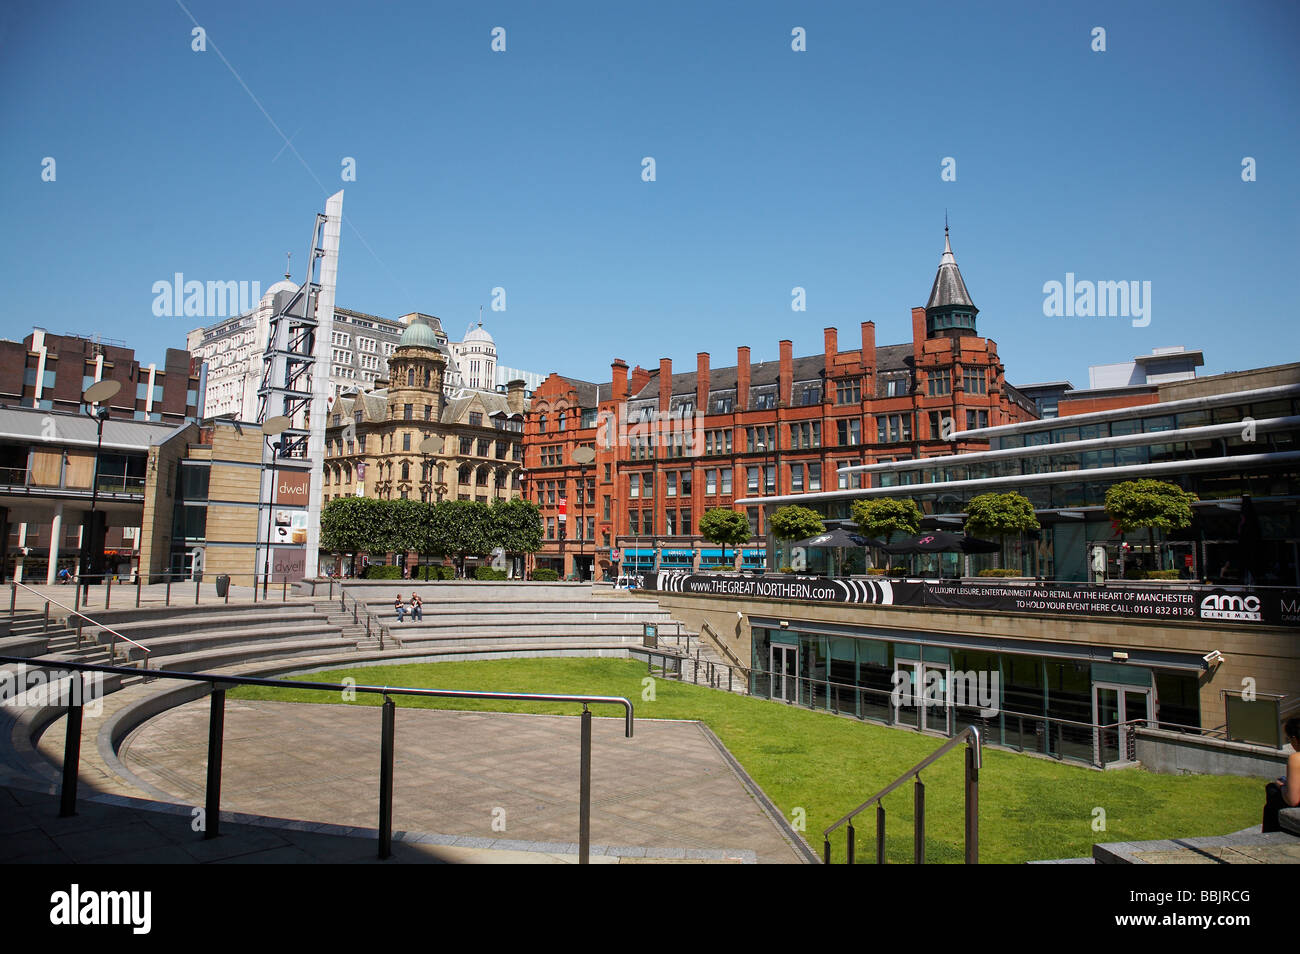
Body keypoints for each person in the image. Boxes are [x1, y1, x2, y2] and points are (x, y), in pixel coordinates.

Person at [1263, 717, 1300, 833]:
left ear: (1294, 739)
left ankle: (1269, 839)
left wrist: (1281, 786)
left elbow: (1292, 800)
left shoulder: (1296, 758)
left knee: (1272, 789)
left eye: (1288, 739)